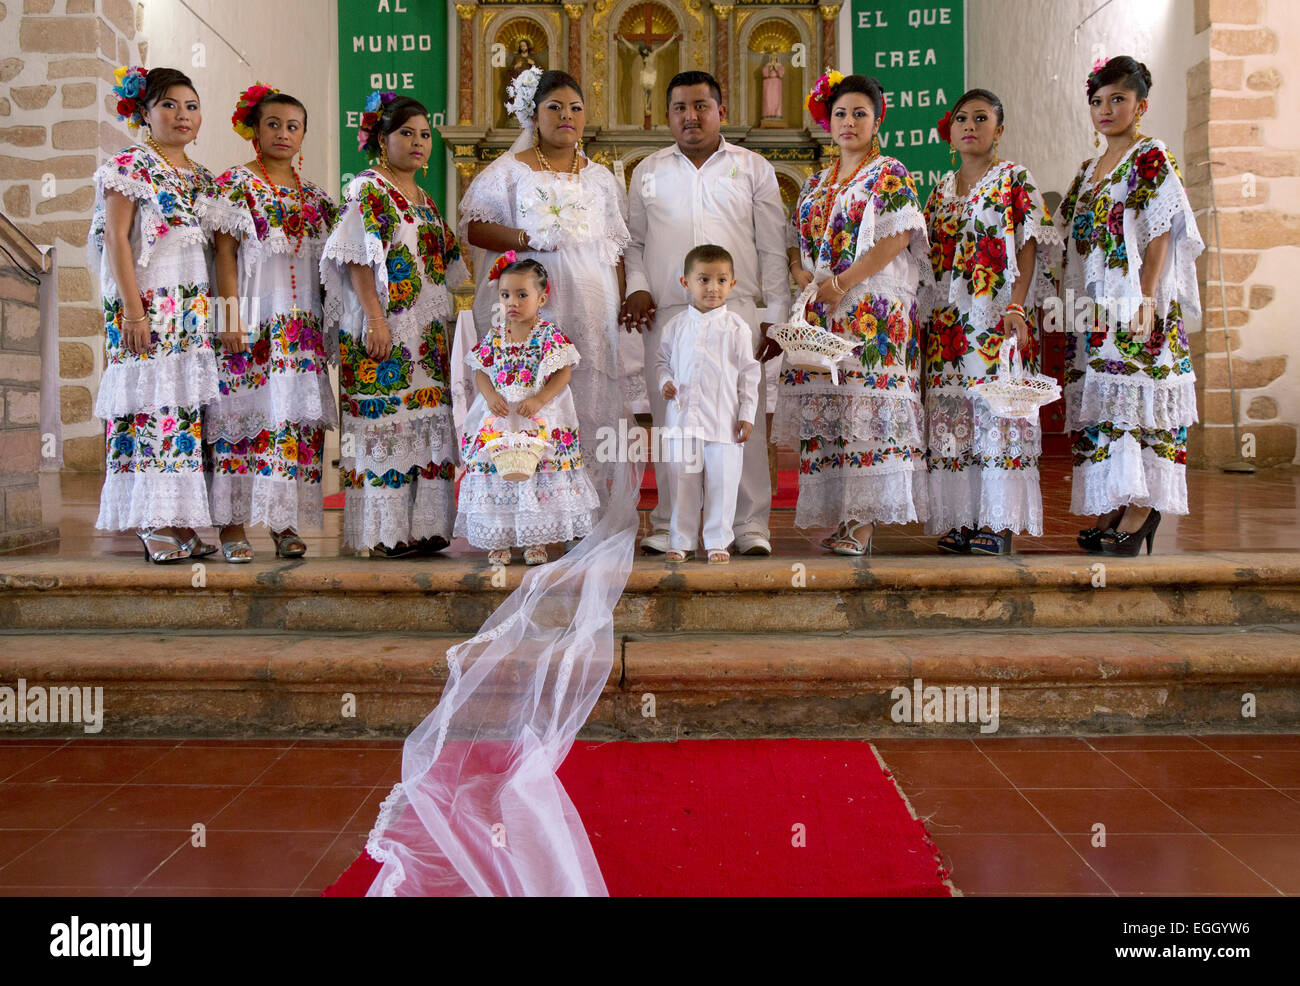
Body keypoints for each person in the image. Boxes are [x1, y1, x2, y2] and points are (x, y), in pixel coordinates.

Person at [621, 70, 790, 556]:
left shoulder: (753, 167)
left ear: (721, 112)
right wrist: (636, 286)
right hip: (670, 314)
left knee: (739, 418)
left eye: (701, 106)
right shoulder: (647, 171)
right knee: (675, 422)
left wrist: (773, 315)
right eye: (679, 108)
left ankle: (749, 524)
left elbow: (772, 248)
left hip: (736, 311)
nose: (690, 116)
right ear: (668, 116)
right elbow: (633, 243)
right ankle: (672, 525)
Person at [459, 68, 631, 511]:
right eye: (554, 107)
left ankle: (586, 510)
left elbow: (615, 245)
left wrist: (622, 301)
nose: (566, 115)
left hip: (592, 304)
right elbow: (475, 228)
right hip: (534, 304)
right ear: (534, 116)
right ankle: (531, 511)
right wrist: (524, 239)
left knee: (590, 395)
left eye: (575, 107)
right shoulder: (510, 172)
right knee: (533, 398)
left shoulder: (600, 178)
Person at [777, 72, 930, 556]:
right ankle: (844, 515)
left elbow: (896, 238)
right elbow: (796, 245)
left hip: (872, 309)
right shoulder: (816, 182)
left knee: (868, 406)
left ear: (877, 118)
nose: (848, 122)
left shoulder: (889, 172)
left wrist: (842, 282)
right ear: (828, 120)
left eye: (860, 113)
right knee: (838, 412)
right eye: (840, 113)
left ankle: (864, 522)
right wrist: (803, 276)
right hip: (824, 309)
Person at [1057, 56, 1202, 555]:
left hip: (1140, 304)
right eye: (1097, 100)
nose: (1105, 109)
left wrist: (1144, 297)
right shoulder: (1087, 170)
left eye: (1118, 98)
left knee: (1143, 401)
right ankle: (1118, 501)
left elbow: (1160, 231)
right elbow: (1067, 238)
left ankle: (1143, 508)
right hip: (1095, 312)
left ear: (1141, 105)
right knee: (1108, 407)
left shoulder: (1151, 156)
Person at [321, 92, 468, 557]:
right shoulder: (369, 189)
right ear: (382, 139)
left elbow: (448, 263)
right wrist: (374, 318)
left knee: (424, 422)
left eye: (425, 134)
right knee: (386, 424)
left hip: (424, 334)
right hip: (382, 328)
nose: (419, 142)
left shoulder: (423, 197)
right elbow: (358, 259)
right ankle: (385, 534)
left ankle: (424, 527)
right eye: (407, 133)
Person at [197, 84, 337, 561]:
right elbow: (224, 252)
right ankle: (232, 529)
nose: (283, 133)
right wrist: (229, 317)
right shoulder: (234, 184)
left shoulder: (317, 198)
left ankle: (284, 523)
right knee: (241, 421)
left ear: (303, 135)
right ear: (254, 129)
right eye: (273, 124)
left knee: (291, 426)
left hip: (301, 332)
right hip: (251, 323)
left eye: (293, 126)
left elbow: (328, 273)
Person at [922, 89, 1061, 555]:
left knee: (996, 411)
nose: (970, 126)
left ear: (998, 130)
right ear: (950, 130)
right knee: (955, 415)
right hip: (947, 324)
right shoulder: (940, 190)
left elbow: (1030, 241)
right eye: (962, 118)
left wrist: (1018, 306)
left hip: (996, 315)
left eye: (982, 119)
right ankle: (964, 518)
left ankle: (998, 523)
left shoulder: (1013, 178)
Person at [90, 66, 220, 563]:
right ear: (145, 112)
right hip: (146, 310)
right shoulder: (130, 165)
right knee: (151, 411)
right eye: (169, 105)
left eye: (190, 106)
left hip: (191, 313)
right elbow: (116, 241)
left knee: (181, 415)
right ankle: (152, 521)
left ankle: (177, 518)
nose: (182, 116)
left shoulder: (202, 178)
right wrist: (133, 311)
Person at [456, 257, 599, 565]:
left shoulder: (548, 335)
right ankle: (500, 537)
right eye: (506, 295)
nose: (513, 302)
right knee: (501, 471)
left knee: (535, 472)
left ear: (541, 298)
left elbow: (564, 372)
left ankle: (535, 538)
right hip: (502, 416)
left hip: (537, 416)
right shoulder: (495, 336)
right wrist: (490, 393)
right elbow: (480, 370)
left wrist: (541, 398)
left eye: (522, 295)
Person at [655, 245, 761, 564]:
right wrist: (665, 382)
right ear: (685, 282)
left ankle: (717, 539)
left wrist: (747, 414)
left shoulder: (737, 328)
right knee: (684, 483)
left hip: (724, 422)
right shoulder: (675, 326)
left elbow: (748, 374)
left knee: (723, 483)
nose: (712, 288)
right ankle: (681, 539)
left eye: (720, 280)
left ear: (733, 284)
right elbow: (662, 362)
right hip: (684, 420)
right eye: (703, 279)